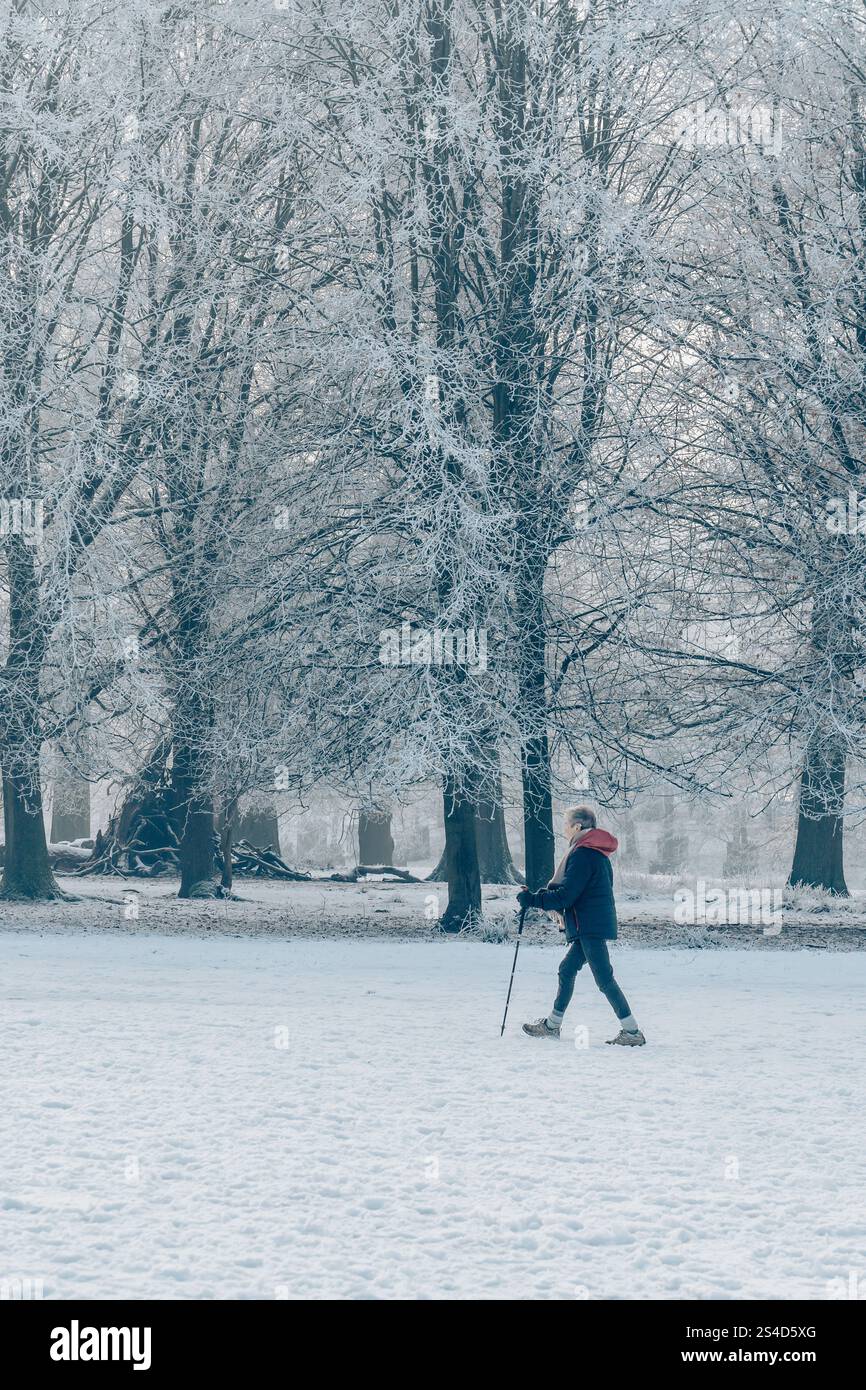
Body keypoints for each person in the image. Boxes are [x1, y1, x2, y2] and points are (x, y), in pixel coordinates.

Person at [517, 805, 645, 1046]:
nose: (564, 829)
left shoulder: (582, 854)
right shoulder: (595, 853)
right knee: (567, 969)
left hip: (589, 926)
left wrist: (532, 899)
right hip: (591, 923)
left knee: (604, 979)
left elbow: (566, 896)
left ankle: (632, 1032)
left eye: (566, 824)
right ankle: (552, 1025)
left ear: (578, 826)